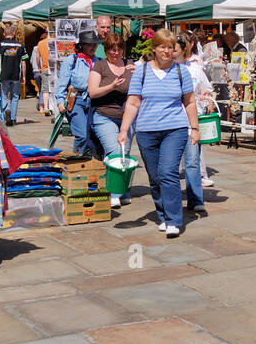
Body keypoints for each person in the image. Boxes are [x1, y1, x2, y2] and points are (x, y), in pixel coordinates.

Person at [118, 29, 199, 238]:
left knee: (168, 173)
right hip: (146, 131)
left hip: (175, 129)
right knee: (154, 177)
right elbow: (133, 103)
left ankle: (174, 219)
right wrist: (124, 129)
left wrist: (195, 128)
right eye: (162, 46)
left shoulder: (181, 72)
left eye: (170, 47)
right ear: (154, 48)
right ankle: (162, 214)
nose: (167, 51)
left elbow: (189, 102)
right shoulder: (141, 72)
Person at [87, 33, 135, 207]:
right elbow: (92, 92)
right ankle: (114, 192)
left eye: (119, 49)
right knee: (115, 151)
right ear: (106, 50)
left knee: (125, 153)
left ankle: (124, 189)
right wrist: (112, 86)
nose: (116, 53)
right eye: (112, 50)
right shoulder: (99, 66)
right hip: (104, 115)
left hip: (127, 118)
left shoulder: (130, 65)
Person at [176, 32, 217, 210]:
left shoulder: (195, 69)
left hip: (192, 121)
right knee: (170, 165)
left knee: (192, 161)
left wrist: (207, 98)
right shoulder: (166, 69)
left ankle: (196, 199)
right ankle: (169, 199)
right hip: (172, 122)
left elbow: (206, 88)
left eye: (174, 48)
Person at [57, 30, 100, 157]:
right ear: (81, 45)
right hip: (76, 100)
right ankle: (77, 161)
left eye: (94, 44)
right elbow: (62, 84)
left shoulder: (99, 62)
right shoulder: (72, 60)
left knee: (94, 136)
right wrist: (60, 102)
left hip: (94, 101)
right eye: (89, 44)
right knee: (82, 135)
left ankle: (91, 162)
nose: (93, 47)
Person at [0, 23, 26, 126]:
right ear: (13, 34)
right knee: (15, 96)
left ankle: (6, 110)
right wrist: (24, 76)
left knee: (3, 95)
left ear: (4, 34)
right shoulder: (20, 46)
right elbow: (23, 62)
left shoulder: (0, 45)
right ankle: (13, 118)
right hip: (15, 75)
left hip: (3, 74)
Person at [31, 28, 51, 116]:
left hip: (44, 68)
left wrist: (39, 67)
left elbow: (37, 58)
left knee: (44, 89)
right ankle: (52, 107)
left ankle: (46, 107)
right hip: (54, 69)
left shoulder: (40, 43)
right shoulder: (55, 42)